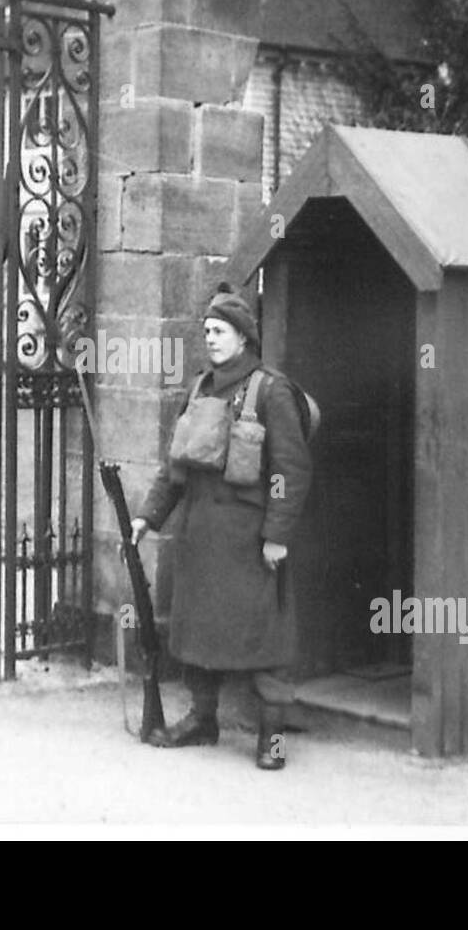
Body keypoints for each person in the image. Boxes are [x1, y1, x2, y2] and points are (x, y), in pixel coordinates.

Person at [131, 285, 312, 769]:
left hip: (249, 541)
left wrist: (276, 535)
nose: (210, 339)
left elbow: (290, 471)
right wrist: (148, 516)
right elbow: (175, 467)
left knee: (264, 639)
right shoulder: (198, 388)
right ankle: (202, 719)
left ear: (244, 338)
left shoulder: (270, 390)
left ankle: (271, 735)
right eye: (207, 331)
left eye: (220, 332)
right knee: (198, 633)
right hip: (199, 535)